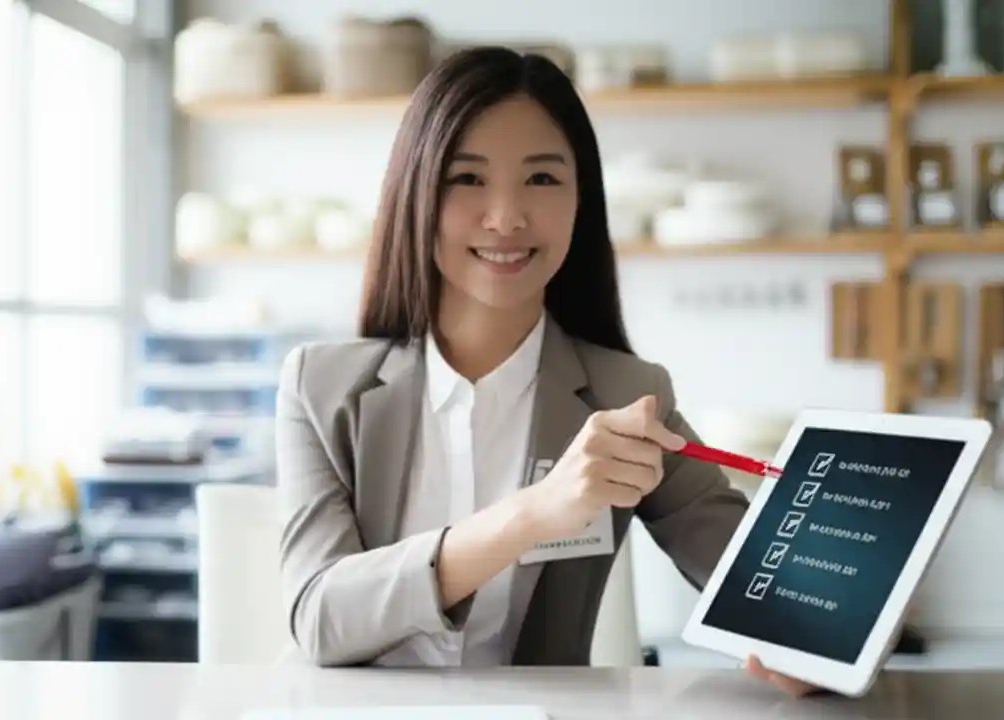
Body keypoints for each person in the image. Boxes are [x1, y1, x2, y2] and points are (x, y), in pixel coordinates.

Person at [276, 46, 820, 696]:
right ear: (415, 192)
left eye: (541, 179)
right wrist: (532, 515)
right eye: (467, 178)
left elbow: (760, 582)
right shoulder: (322, 386)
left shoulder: (629, 396)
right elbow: (319, 617)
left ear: (580, 200)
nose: (506, 217)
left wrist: (815, 638)